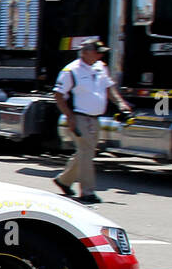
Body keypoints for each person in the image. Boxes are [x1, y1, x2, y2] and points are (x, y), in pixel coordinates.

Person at [52, 37, 132, 204]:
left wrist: (121, 104)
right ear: (85, 52)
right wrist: (70, 117)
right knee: (86, 153)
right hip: (79, 117)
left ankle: (64, 180)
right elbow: (59, 95)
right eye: (97, 52)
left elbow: (109, 89)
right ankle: (87, 192)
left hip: (95, 119)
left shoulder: (100, 67)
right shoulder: (71, 71)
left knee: (85, 152)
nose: (100, 56)